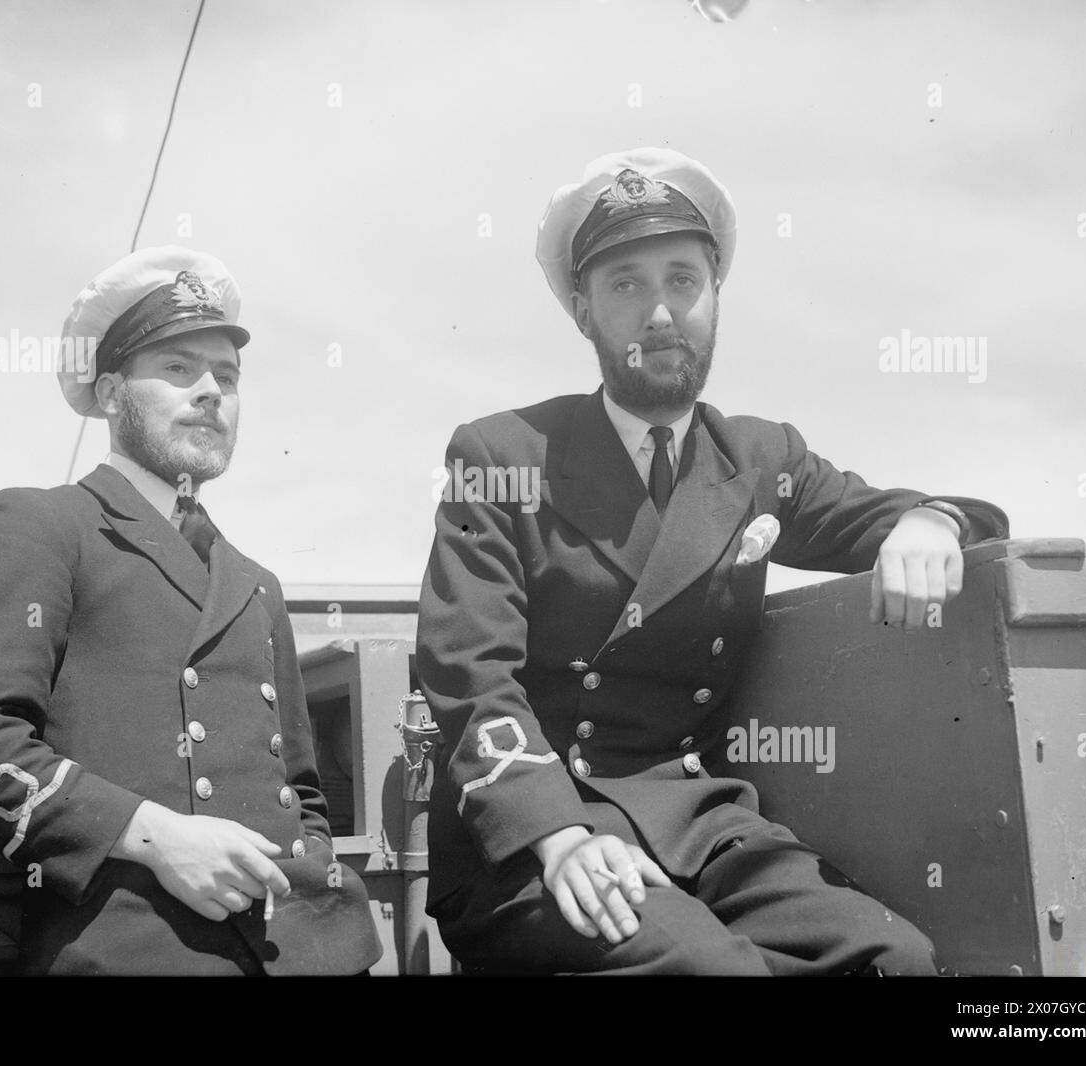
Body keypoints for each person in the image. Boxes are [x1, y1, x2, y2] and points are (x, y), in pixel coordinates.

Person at [415, 149, 1010, 975]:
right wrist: (555, 836)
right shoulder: (503, 453)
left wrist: (931, 520)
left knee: (894, 958)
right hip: (534, 829)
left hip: (697, 817)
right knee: (709, 969)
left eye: (683, 280)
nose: (660, 312)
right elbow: (467, 670)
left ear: (715, 297)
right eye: (626, 285)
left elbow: (920, 515)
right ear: (584, 313)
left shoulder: (762, 458)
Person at [0, 246, 381, 975]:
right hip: (138, 944)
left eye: (227, 377)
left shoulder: (256, 583)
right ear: (110, 393)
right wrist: (155, 835)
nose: (211, 392)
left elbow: (301, 790)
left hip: (310, 945)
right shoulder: (41, 527)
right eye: (178, 370)